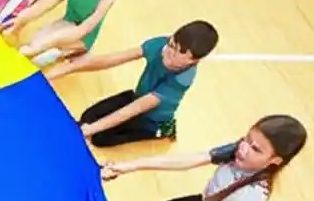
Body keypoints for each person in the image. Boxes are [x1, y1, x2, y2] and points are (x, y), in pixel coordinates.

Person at [107, 114, 307, 201]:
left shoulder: (251, 195)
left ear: (275, 161)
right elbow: (188, 161)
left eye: (256, 149)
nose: (244, 149)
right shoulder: (238, 149)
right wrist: (128, 166)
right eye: (247, 139)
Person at [52, 20, 220, 147]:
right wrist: (71, 67)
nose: (169, 53)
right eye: (172, 45)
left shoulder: (180, 80)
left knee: (100, 138)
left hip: (150, 117)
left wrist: (90, 130)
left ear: (195, 60)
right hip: (137, 96)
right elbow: (113, 59)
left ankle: (162, 132)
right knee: (88, 116)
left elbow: (136, 108)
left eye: (180, 53)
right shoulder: (160, 45)